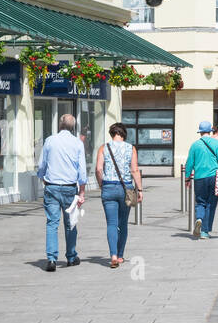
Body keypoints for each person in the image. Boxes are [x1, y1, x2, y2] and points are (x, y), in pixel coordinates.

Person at [36, 114, 87, 271]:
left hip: (52, 186)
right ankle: (71, 256)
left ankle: (51, 259)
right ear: (73, 127)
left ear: (60, 125)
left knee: (52, 222)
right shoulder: (77, 143)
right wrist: (82, 191)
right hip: (70, 188)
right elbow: (82, 170)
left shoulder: (50, 140)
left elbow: (42, 164)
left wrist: (43, 178)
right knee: (70, 222)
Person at [95, 122, 143, 267]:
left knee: (111, 223)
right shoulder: (131, 148)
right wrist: (139, 189)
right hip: (125, 189)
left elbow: (98, 169)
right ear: (123, 134)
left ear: (112, 134)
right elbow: (134, 170)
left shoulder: (104, 147)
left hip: (108, 187)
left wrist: (101, 184)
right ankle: (121, 255)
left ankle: (113, 255)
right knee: (123, 223)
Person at [184, 120, 218, 239]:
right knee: (211, 203)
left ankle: (199, 218)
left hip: (199, 178)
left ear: (200, 132)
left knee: (200, 202)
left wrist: (187, 178)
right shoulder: (216, 143)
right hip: (214, 177)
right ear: (210, 131)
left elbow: (189, 163)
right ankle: (204, 231)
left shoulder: (195, 145)